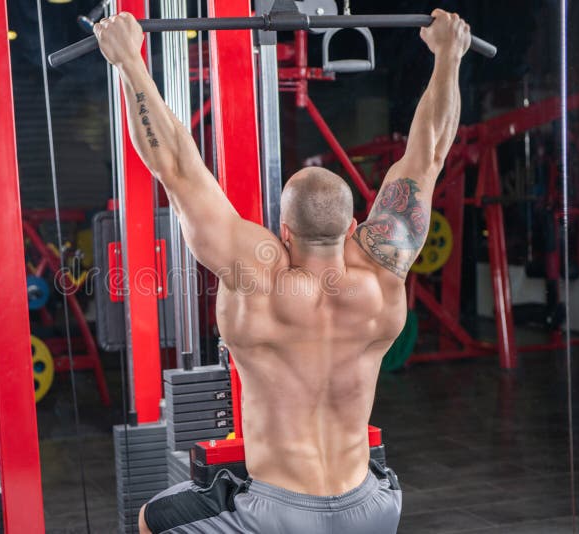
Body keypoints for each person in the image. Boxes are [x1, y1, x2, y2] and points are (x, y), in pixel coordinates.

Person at [93, 8, 471, 533]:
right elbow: (428, 154)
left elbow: (176, 167)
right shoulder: (385, 271)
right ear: (356, 223)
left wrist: (128, 62)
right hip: (371, 508)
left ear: (283, 232)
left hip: (275, 515)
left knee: (150, 520)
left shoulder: (257, 278)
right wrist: (449, 55)